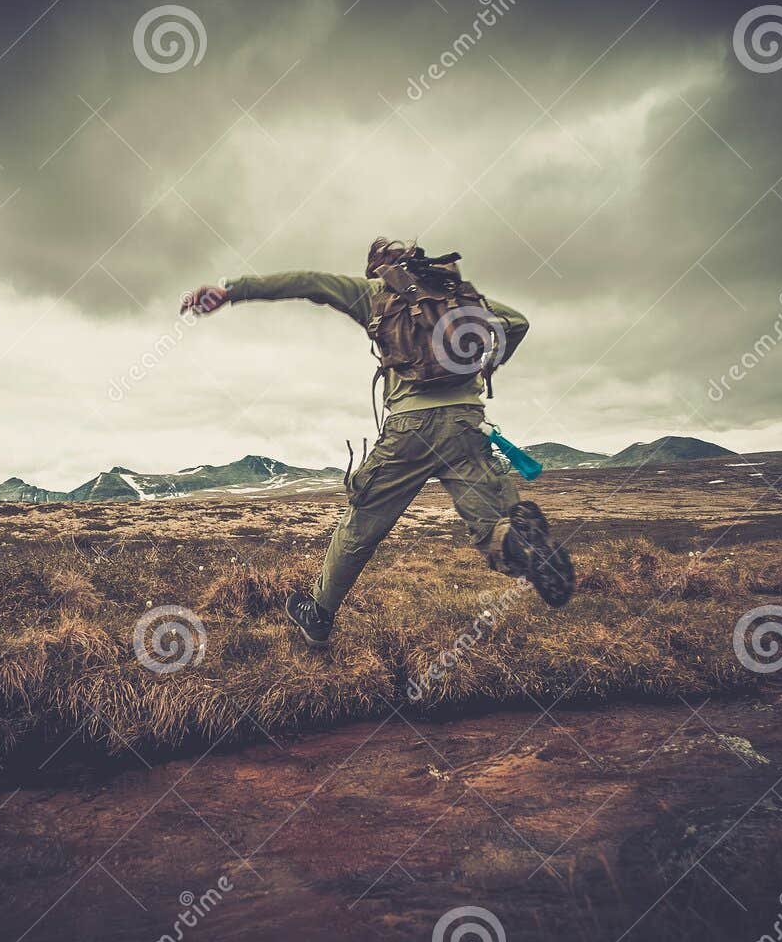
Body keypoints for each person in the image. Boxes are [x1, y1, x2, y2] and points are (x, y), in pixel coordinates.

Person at [185, 238, 574, 647]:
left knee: (362, 523)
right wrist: (484, 366)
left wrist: (231, 290)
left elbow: (309, 282)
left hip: (410, 427)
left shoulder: (374, 294)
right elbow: (517, 323)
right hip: (467, 424)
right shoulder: (458, 295)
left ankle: (317, 615)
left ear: (378, 267)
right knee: (491, 522)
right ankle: (518, 543)